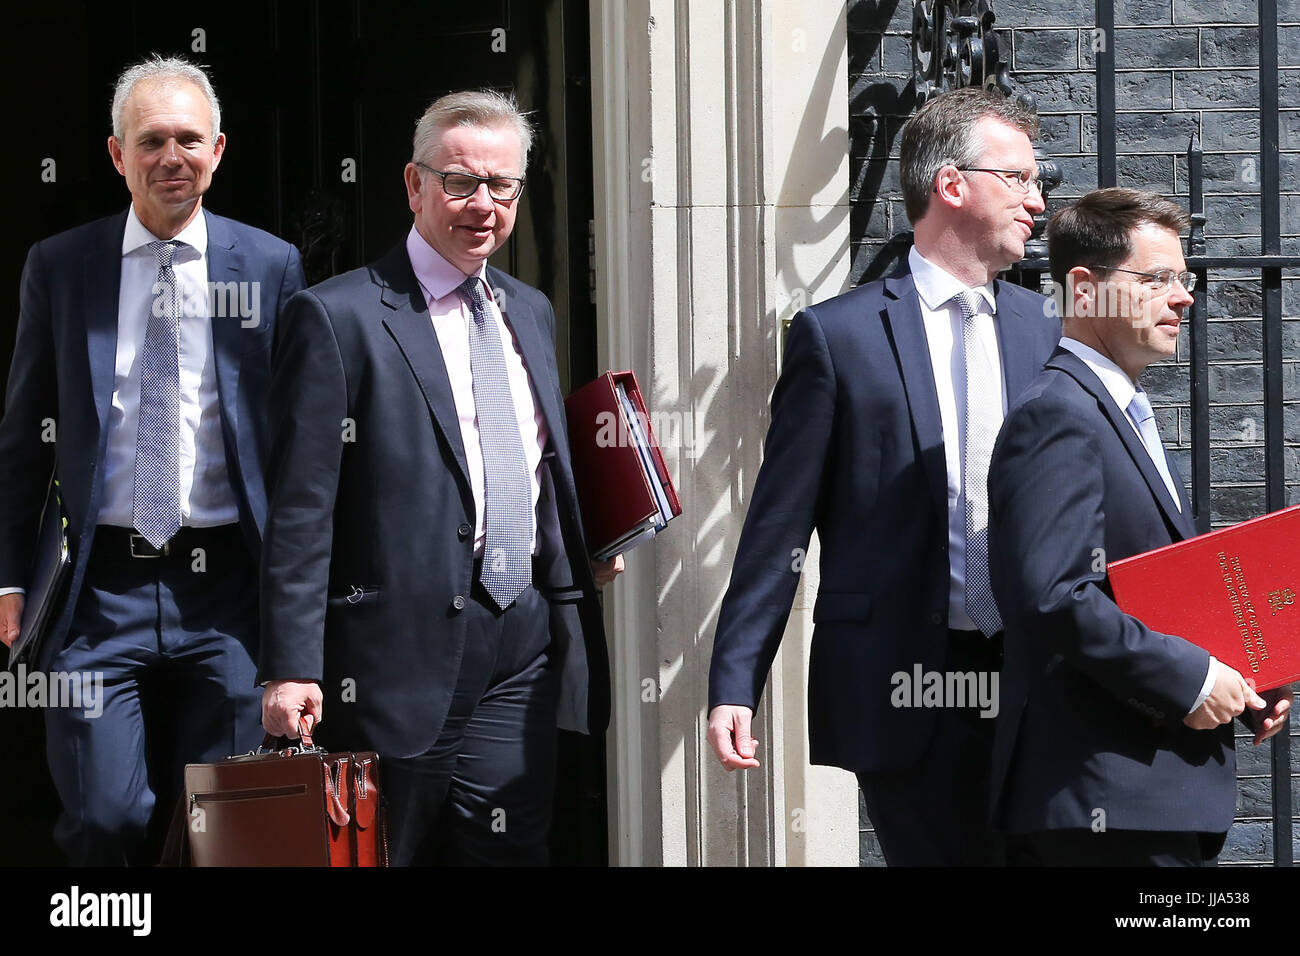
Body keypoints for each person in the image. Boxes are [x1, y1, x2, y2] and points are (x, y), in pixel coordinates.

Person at [258, 89, 619, 866]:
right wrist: (290, 666)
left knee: (509, 849)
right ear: (414, 185)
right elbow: (300, 508)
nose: (481, 203)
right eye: (459, 182)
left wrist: (585, 543)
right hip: (395, 654)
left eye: (502, 185)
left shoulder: (530, 309)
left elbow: (533, 456)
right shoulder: (337, 317)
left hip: (520, 639)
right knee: (387, 852)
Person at [706, 87, 1059, 865]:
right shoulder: (838, 337)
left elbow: (1098, 513)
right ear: (953, 184)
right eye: (1023, 178)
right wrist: (736, 681)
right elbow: (778, 527)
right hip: (906, 684)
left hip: (1036, 681)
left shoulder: (1048, 333)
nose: (1038, 201)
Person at [0, 55, 305, 865]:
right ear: (116, 154)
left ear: (219, 150)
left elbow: (299, 447)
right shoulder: (61, 267)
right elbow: (21, 433)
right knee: (104, 817)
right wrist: (7, 578)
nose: (172, 157)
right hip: (99, 589)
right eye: (152, 141)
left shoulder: (269, 267)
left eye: (189, 140)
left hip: (230, 590)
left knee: (232, 825)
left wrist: (304, 611)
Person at [988, 187, 1292, 866]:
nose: (1183, 296)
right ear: (1084, 289)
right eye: (1156, 279)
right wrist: (1189, 678)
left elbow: (1146, 589)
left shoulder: (1120, 411)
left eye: (1183, 278)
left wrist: (1240, 673)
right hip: (1105, 798)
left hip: (1147, 795)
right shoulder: (1058, 414)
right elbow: (1056, 596)